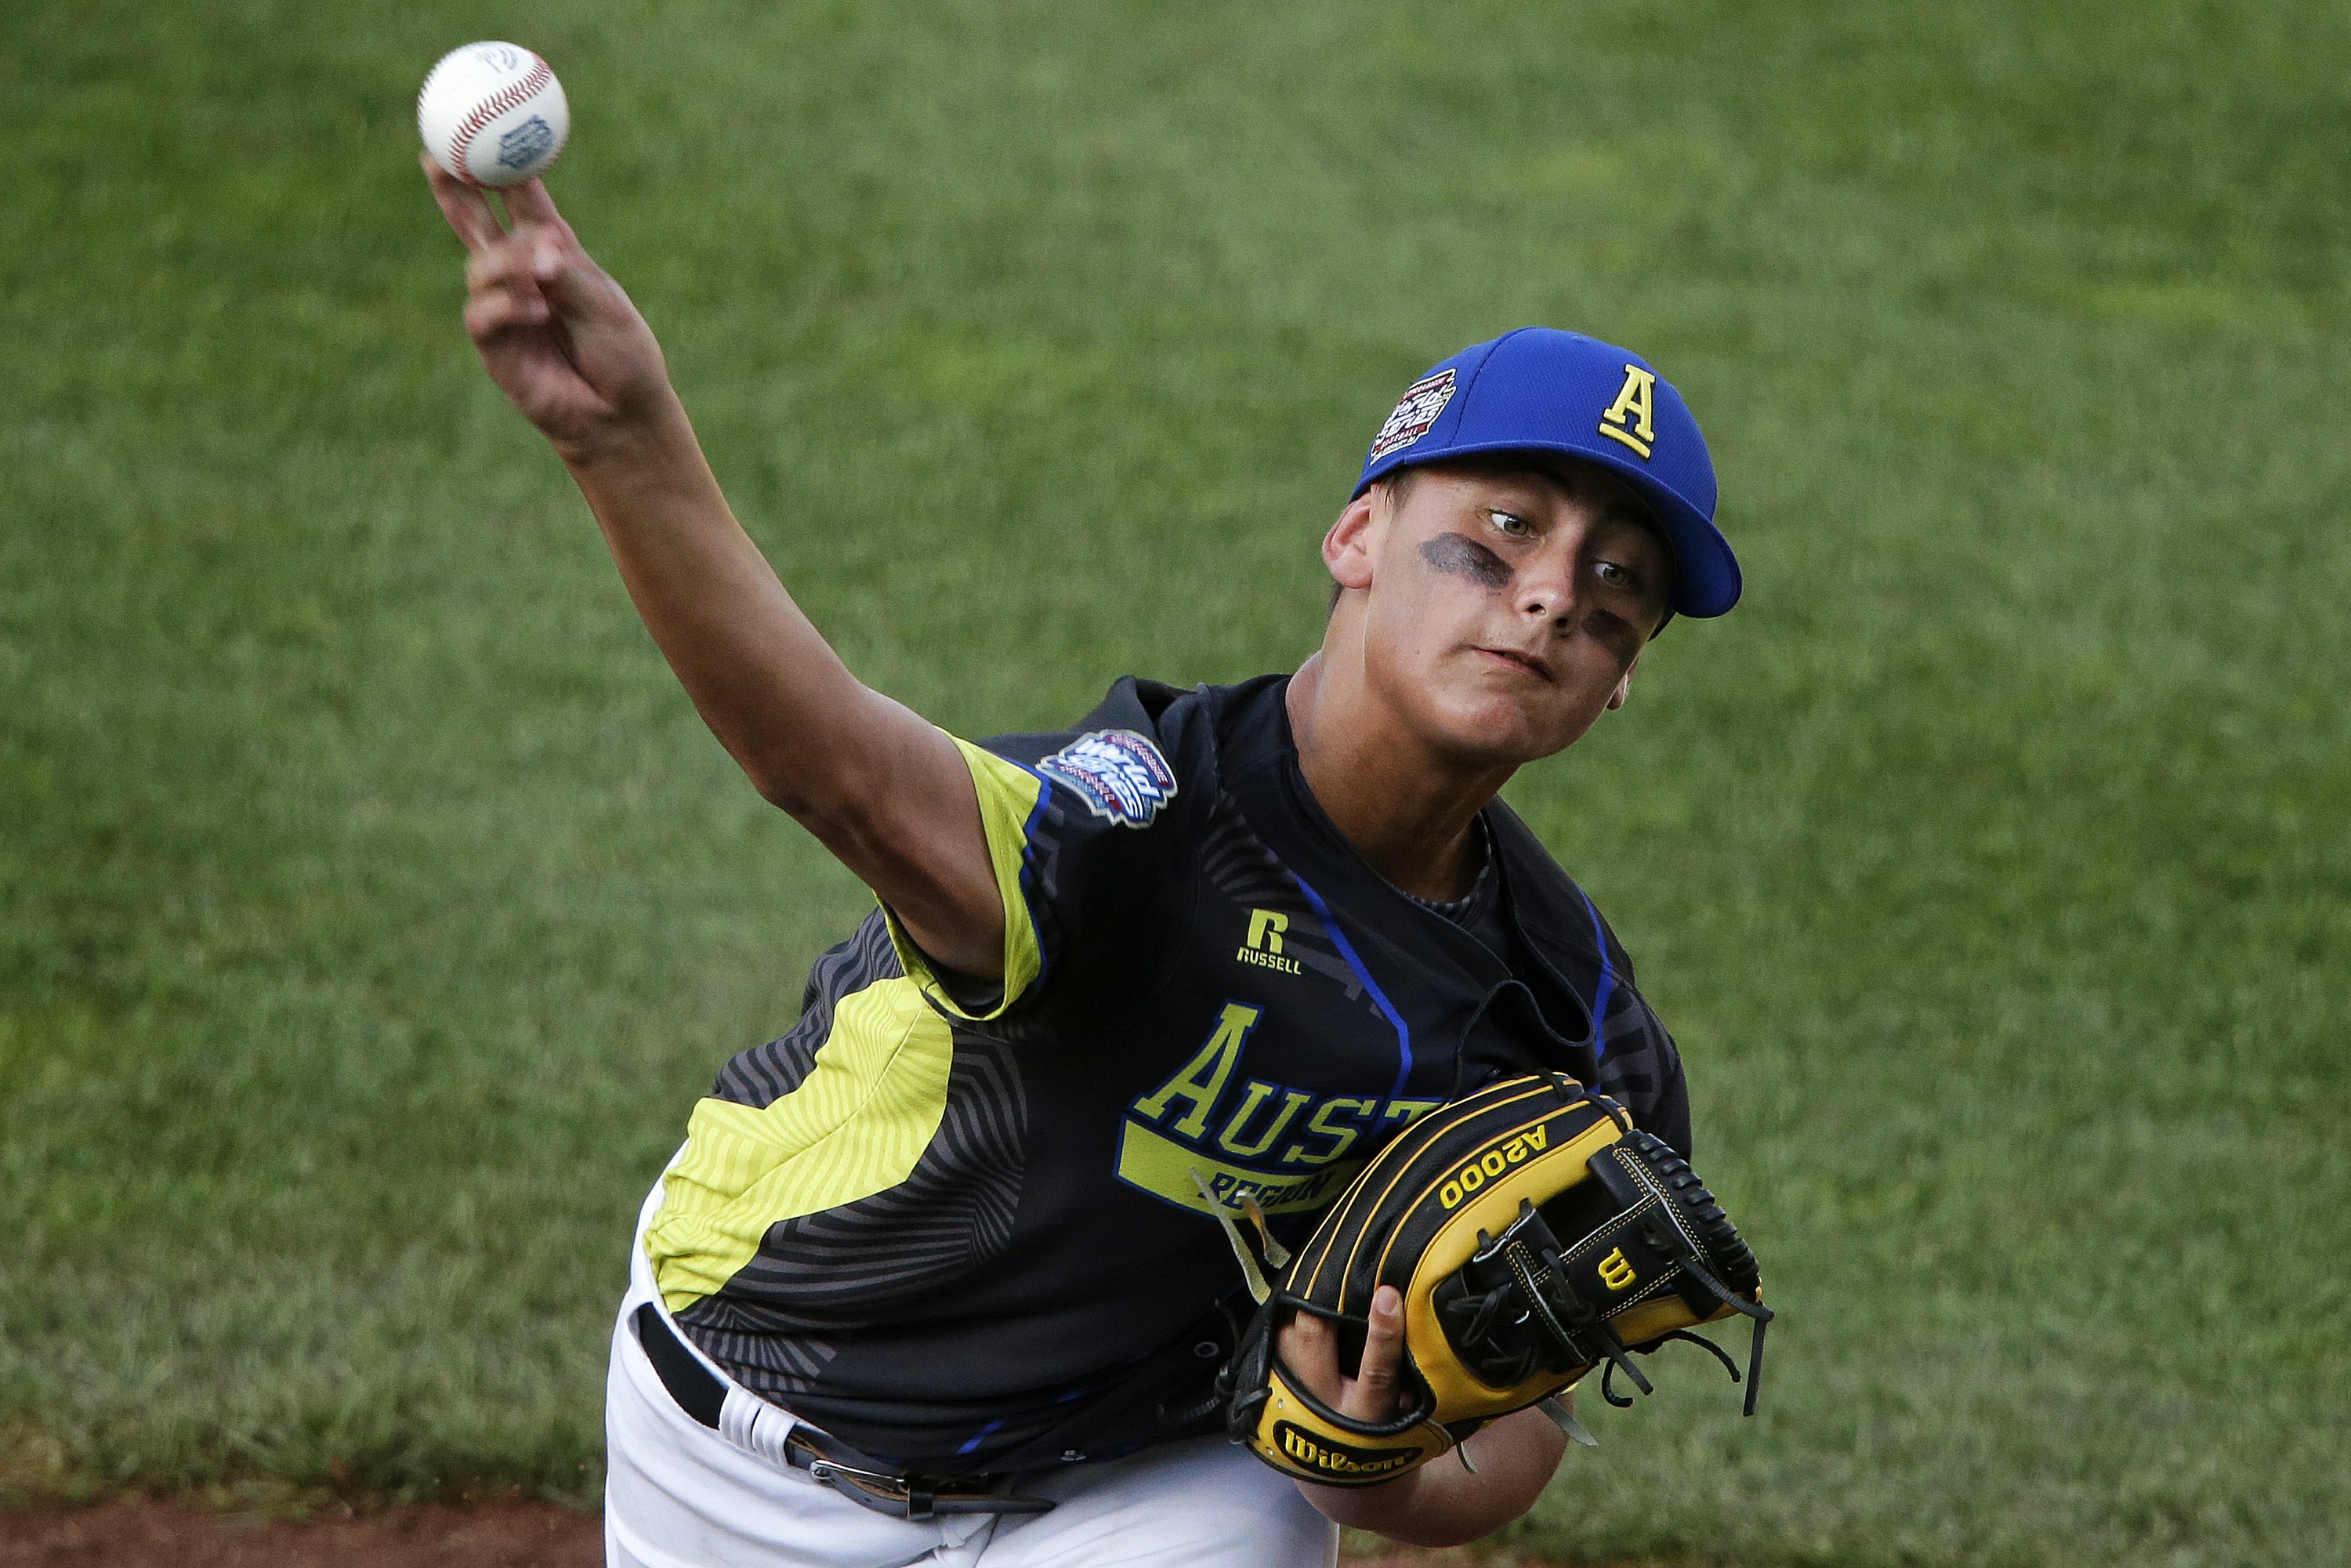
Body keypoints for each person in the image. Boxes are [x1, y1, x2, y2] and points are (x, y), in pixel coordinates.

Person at [424, 159, 1742, 1568]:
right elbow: (840, 774)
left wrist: (1377, 1477)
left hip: (1142, 1474)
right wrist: (624, 439)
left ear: (1621, 680)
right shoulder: (1137, 820)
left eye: (1619, 584)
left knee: (1262, 1515)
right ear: (1358, 534)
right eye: (1504, 530)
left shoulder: (1569, 1015)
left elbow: (1528, 1413)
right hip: (761, 1419)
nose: (1553, 592)